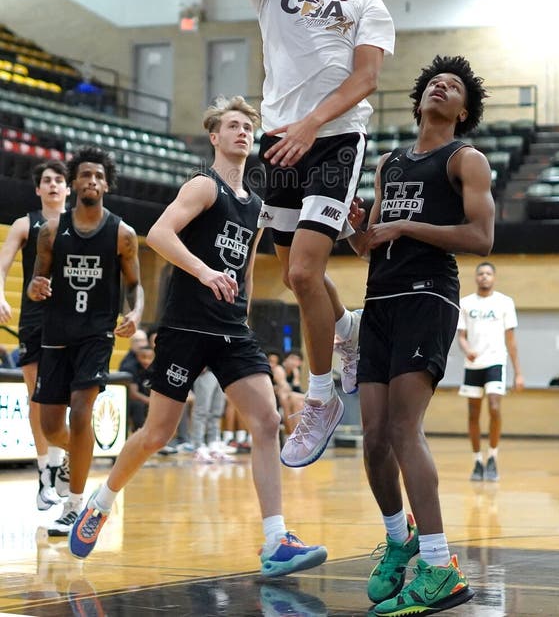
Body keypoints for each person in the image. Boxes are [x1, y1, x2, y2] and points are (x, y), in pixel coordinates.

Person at [199, 0, 396, 468]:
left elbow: (366, 79)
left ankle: (319, 398)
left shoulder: (362, 0)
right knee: (295, 277)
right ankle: (343, 335)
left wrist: (314, 125)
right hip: (279, 141)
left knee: (307, 269)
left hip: (334, 139)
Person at [69, 96, 327, 578]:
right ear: (215, 136)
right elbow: (160, 234)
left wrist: (243, 316)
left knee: (267, 421)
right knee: (157, 433)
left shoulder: (256, 206)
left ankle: (276, 540)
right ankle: (101, 504)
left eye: (248, 127)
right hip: (186, 326)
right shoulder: (203, 186)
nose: (243, 132)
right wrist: (206, 272)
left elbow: (246, 270)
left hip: (231, 331)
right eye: (233, 125)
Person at [349, 55, 495, 615]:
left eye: (454, 86)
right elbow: (370, 242)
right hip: (381, 298)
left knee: (406, 430)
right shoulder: (389, 162)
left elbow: (481, 237)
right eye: (436, 81)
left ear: (462, 112)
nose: (442, 86)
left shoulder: (467, 159)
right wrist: (355, 226)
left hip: (428, 295)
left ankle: (439, 568)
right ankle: (397, 537)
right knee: (373, 438)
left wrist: (405, 226)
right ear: (420, 100)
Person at [28, 146, 144, 537]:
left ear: (106, 185)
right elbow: (35, 284)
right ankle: (71, 461)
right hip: (56, 335)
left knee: (81, 416)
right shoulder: (49, 231)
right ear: (74, 181)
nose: (91, 181)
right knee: (50, 425)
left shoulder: (122, 234)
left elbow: (135, 287)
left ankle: (75, 506)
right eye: (85, 175)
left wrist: (136, 312)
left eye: (98, 176)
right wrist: (36, 288)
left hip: (96, 335)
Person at [0, 159, 70, 509]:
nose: (54, 185)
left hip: (73, 321)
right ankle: (45, 473)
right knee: (39, 399)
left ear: (68, 188)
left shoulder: (83, 225)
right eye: (48, 180)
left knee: (64, 399)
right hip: (35, 320)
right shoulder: (25, 223)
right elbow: (4, 263)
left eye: (60, 179)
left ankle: (58, 470)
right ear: (38, 188)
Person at [457, 261, 524, 482]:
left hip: (496, 361)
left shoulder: (505, 302)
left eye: (488, 273)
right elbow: (461, 337)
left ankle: (493, 456)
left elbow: (511, 341)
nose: (484, 276)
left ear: (494, 278)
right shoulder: (465, 303)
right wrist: (467, 350)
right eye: (481, 273)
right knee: (473, 413)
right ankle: (477, 460)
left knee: (494, 407)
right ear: (476, 278)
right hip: (473, 365)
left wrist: (518, 372)